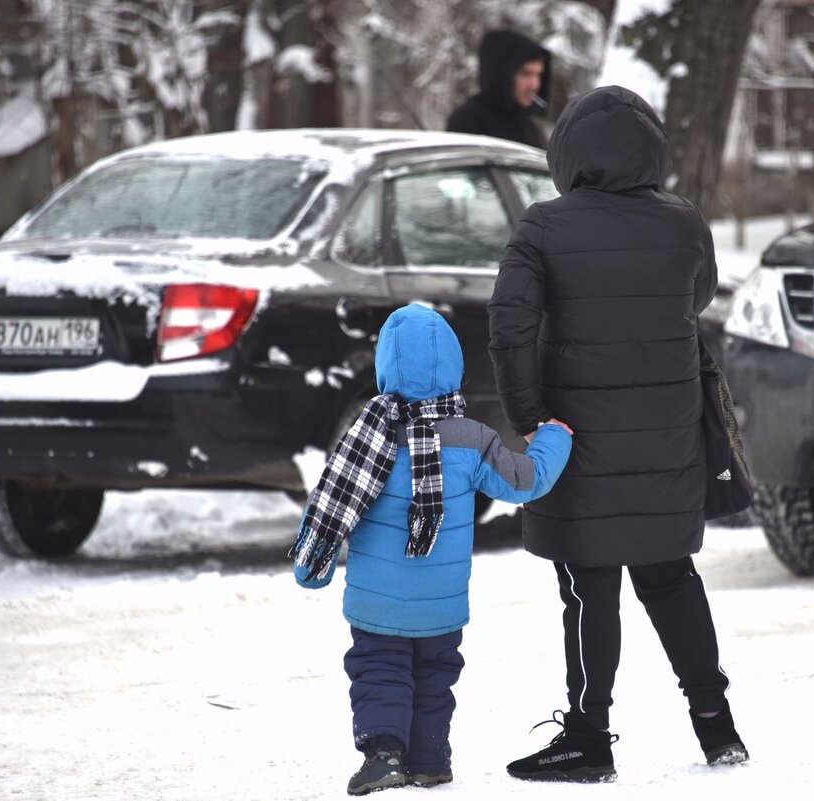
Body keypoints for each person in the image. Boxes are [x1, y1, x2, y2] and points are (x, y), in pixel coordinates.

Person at [487, 85, 749, 781]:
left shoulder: (543, 227)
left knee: (589, 583)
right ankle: (718, 728)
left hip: (580, 441)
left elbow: (509, 324)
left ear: (567, 153)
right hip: (667, 438)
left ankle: (588, 734)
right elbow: (695, 300)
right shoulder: (683, 221)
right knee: (669, 574)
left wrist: (529, 415)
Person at [291, 303, 573, 796]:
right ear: (455, 368)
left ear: (385, 368)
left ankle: (384, 756)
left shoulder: (369, 434)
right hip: (443, 603)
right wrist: (554, 438)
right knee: (435, 674)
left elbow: (336, 503)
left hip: (375, 603)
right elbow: (528, 481)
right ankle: (429, 759)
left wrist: (313, 567)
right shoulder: (473, 439)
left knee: (379, 671)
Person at [447, 29, 551, 149]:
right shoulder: (469, 121)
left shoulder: (530, 127)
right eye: (525, 74)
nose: (534, 84)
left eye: (538, 75)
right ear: (502, 73)